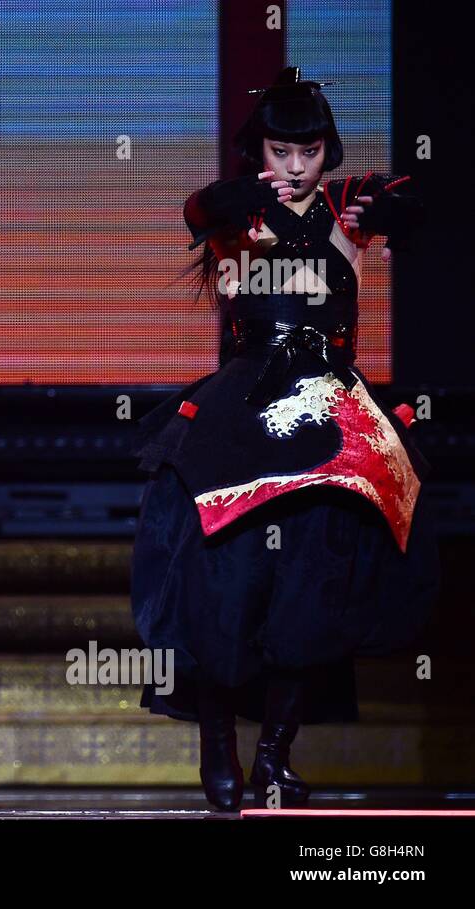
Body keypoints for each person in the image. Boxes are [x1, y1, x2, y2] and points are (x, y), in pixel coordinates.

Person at [130, 67, 439, 811]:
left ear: (327, 151)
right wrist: (244, 195)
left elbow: (414, 206)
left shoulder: (346, 211)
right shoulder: (241, 214)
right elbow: (198, 207)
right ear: (259, 150)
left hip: (328, 406)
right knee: (225, 586)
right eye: (280, 149)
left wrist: (388, 207)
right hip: (247, 402)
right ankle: (217, 747)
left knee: (314, 588)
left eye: (309, 150)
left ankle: (274, 755)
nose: (295, 165)